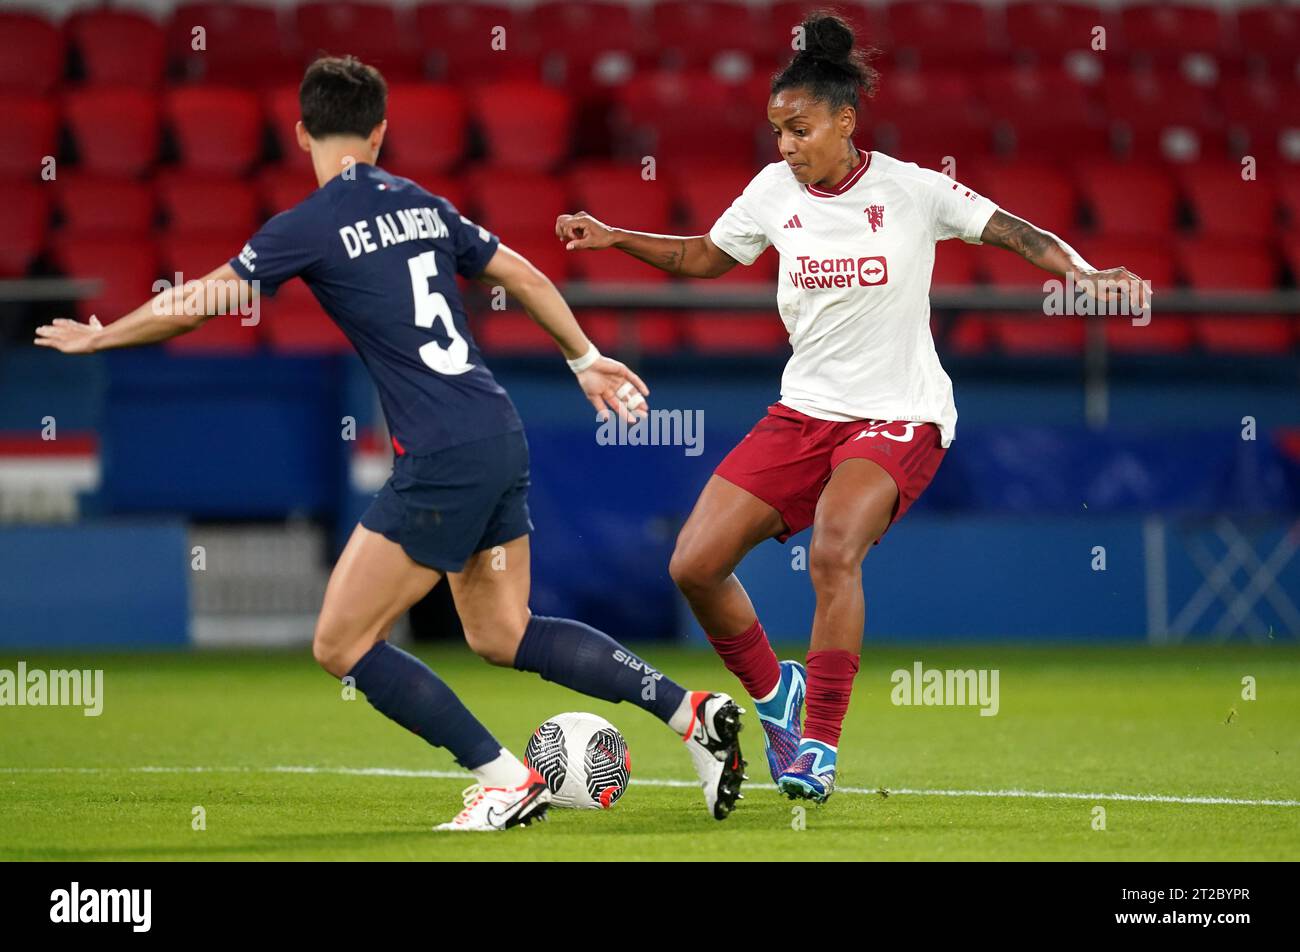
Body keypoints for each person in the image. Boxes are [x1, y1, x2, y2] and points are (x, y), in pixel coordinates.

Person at [36, 55, 747, 831]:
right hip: (497, 432)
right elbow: (529, 276)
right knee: (504, 633)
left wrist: (105, 337)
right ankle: (692, 713)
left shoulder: (305, 224)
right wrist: (584, 360)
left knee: (341, 642)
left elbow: (201, 302)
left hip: (441, 455)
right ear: (380, 130)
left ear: (301, 130)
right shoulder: (425, 205)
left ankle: (506, 780)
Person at [555, 13, 1147, 803]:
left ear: (845, 119)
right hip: (805, 412)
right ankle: (777, 699)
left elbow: (1013, 230)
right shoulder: (773, 192)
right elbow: (704, 256)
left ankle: (819, 748)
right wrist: (612, 235)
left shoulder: (913, 188)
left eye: (800, 130)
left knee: (834, 550)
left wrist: (1085, 272)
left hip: (900, 412)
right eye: (777, 132)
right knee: (693, 565)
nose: (787, 147)